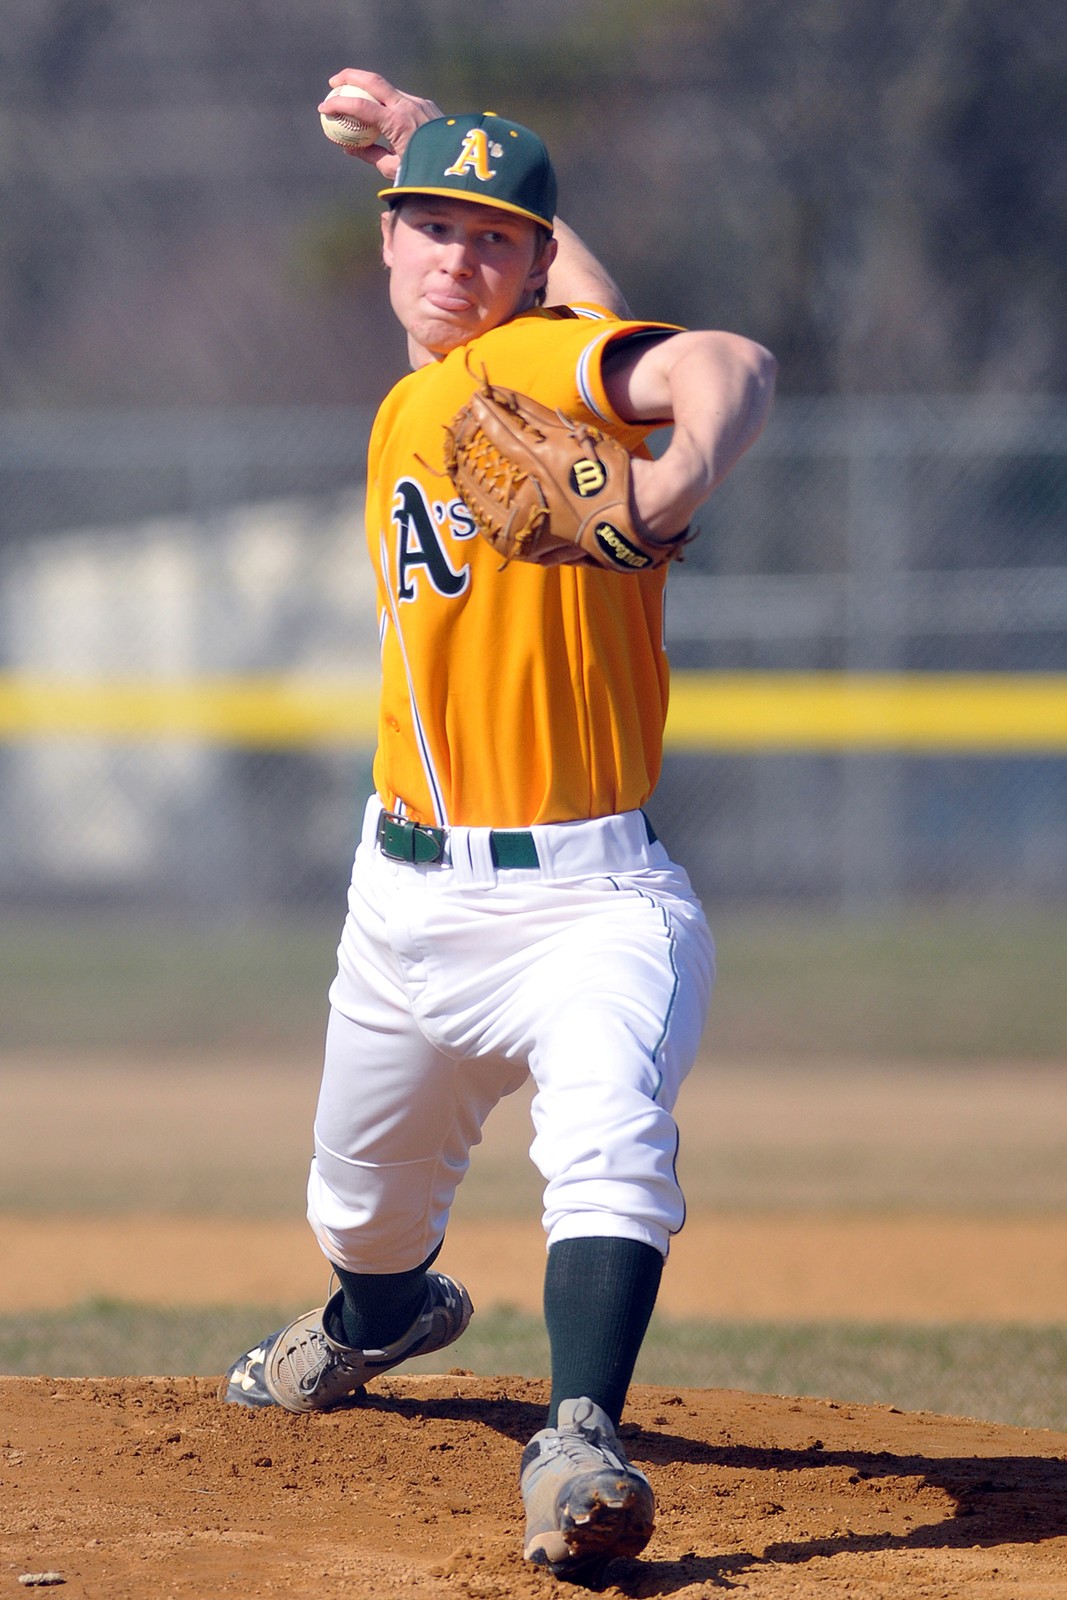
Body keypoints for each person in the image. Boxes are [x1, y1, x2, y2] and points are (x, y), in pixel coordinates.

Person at [220, 70, 776, 1585]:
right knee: (357, 1210)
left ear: (528, 267)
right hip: (400, 908)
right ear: (388, 243)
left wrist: (667, 488)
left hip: (589, 903)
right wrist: (417, 129)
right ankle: (382, 1318)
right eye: (430, 228)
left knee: (607, 1144)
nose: (456, 261)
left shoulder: (553, 360)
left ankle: (583, 1436)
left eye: (491, 238)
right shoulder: (445, 386)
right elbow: (577, 289)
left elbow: (732, 362)